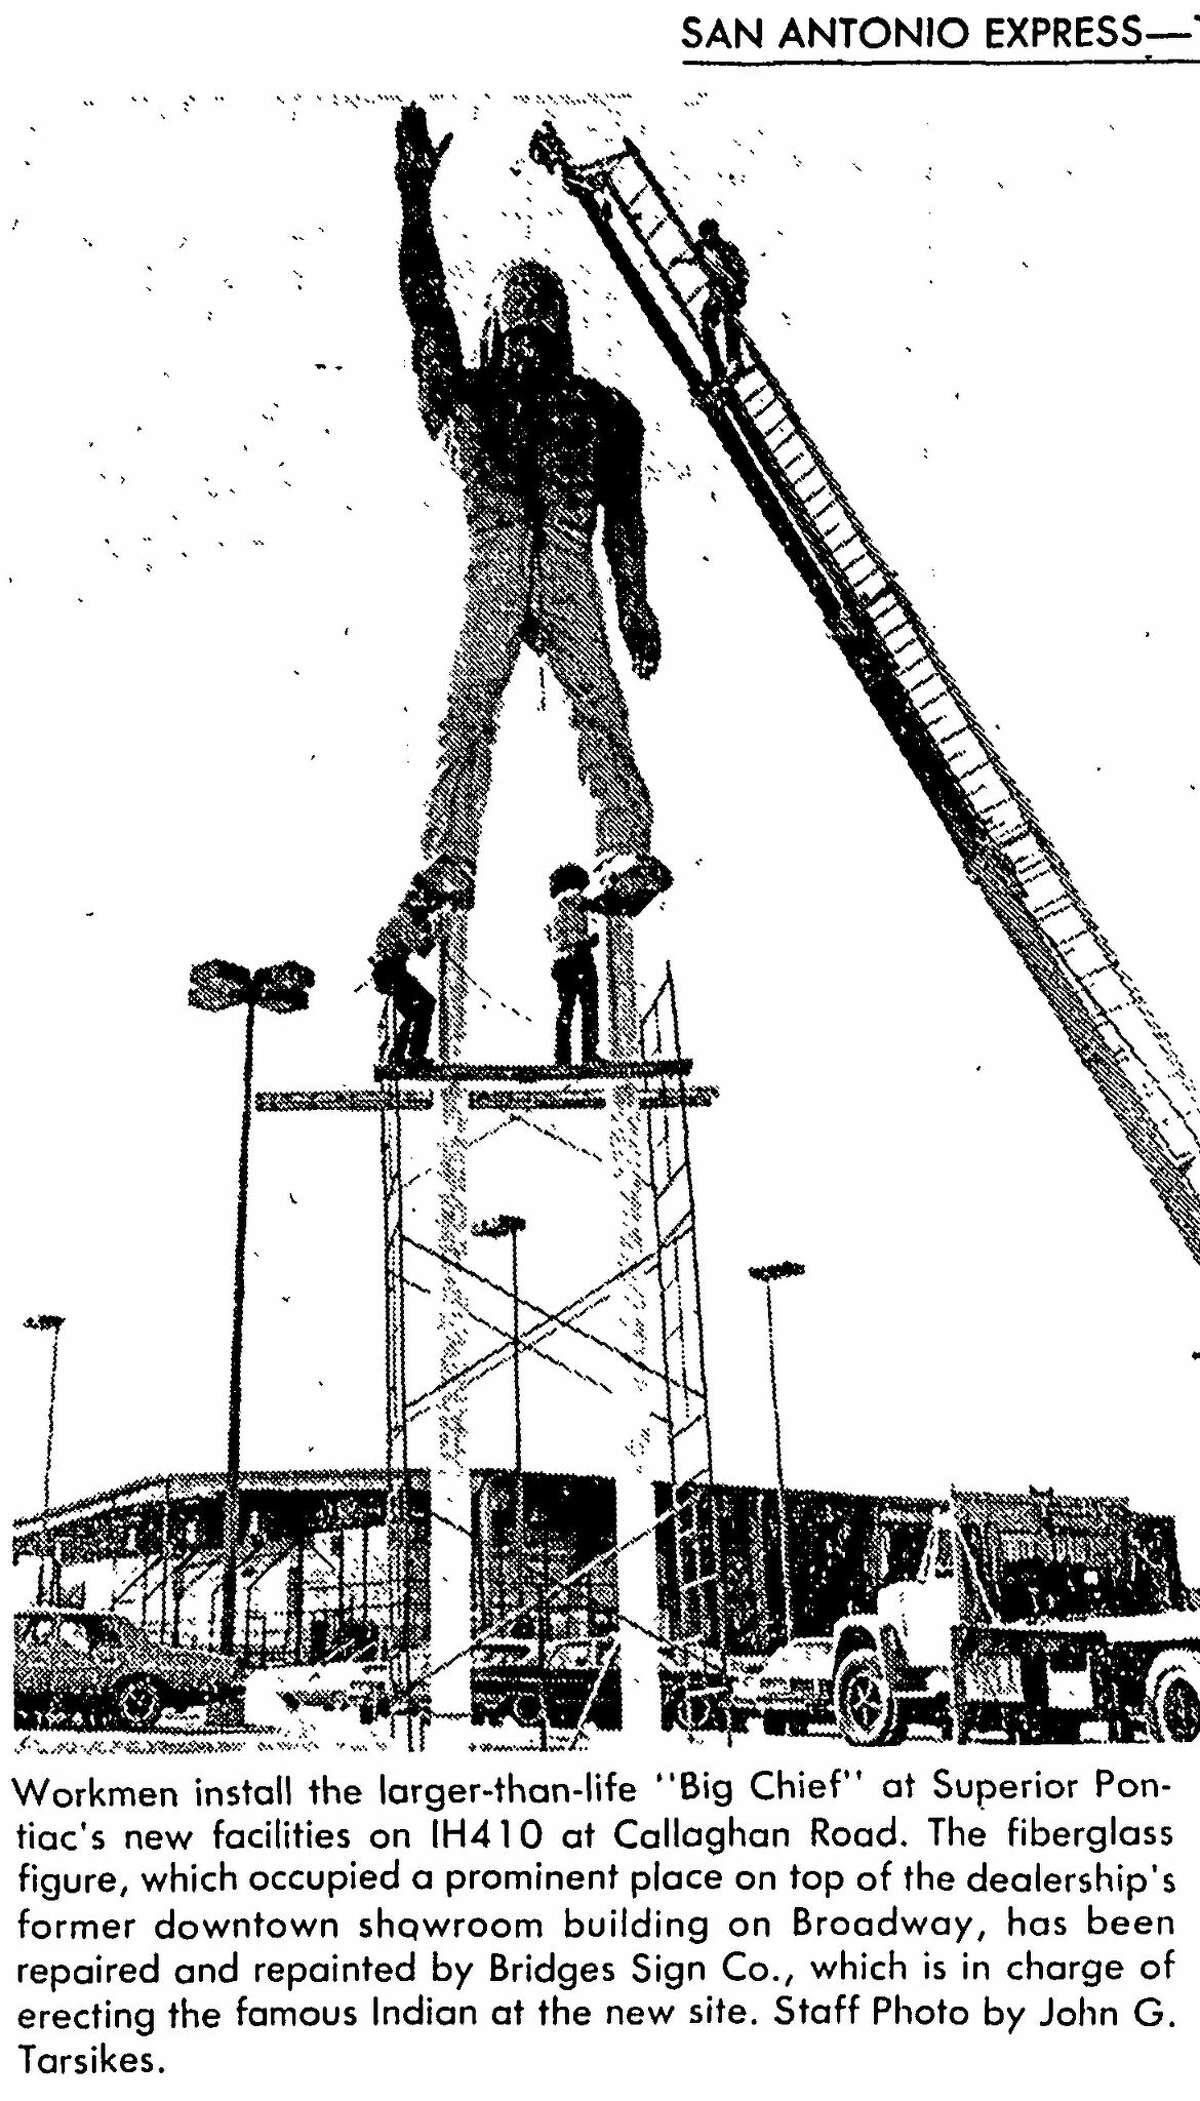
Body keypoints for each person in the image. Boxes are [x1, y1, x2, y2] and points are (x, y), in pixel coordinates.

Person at [393, 103, 673, 919]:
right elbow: (425, 307)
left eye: (538, 336)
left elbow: (626, 513)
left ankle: (619, 843)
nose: (525, 350)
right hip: (509, 555)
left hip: (556, 558)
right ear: (496, 334)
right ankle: (451, 858)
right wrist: (415, 201)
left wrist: (637, 603)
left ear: (558, 339)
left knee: (594, 706)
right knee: (472, 712)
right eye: (516, 334)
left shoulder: (597, 411)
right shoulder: (472, 396)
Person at [373, 882, 439, 1068]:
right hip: (390, 972)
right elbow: (424, 949)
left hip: (393, 971)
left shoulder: (403, 920)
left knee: (414, 1011)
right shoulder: (403, 921)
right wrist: (438, 932)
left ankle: (401, 1055)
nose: (428, 907)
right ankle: (411, 1056)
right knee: (424, 1004)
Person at [547, 863, 601, 1068]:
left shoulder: (556, 907)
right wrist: (590, 940)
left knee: (566, 1010)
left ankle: (562, 1058)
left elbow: (552, 936)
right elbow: (588, 936)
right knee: (588, 1008)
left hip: (562, 962)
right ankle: (589, 1055)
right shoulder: (578, 901)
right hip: (580, 958)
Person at [695, 216, 750, 387]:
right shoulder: (705, 249)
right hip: (719, 292)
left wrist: (736, 286)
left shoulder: (728, 249)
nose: (709, 238)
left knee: (729, 320)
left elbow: (744, 272)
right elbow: (697, 259)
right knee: (706, 320)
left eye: (710, 234)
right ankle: (718, 368)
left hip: (731, 293)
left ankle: (735, 362)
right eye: (706, 235)